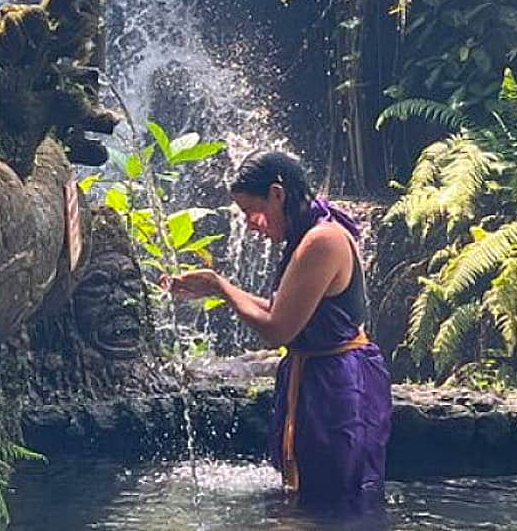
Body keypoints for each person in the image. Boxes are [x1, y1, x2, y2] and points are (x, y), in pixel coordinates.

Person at [165, 151, 392, 508]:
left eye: (249, 212)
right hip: (320, 374)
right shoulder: (309, 234)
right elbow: (281, 311)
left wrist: (222, 287)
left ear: (277, 194)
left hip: (339, 386)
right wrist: (215, 286)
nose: (250, 225)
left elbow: (277, 330)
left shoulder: (322, 240)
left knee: (336, 497)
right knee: (306, 492)